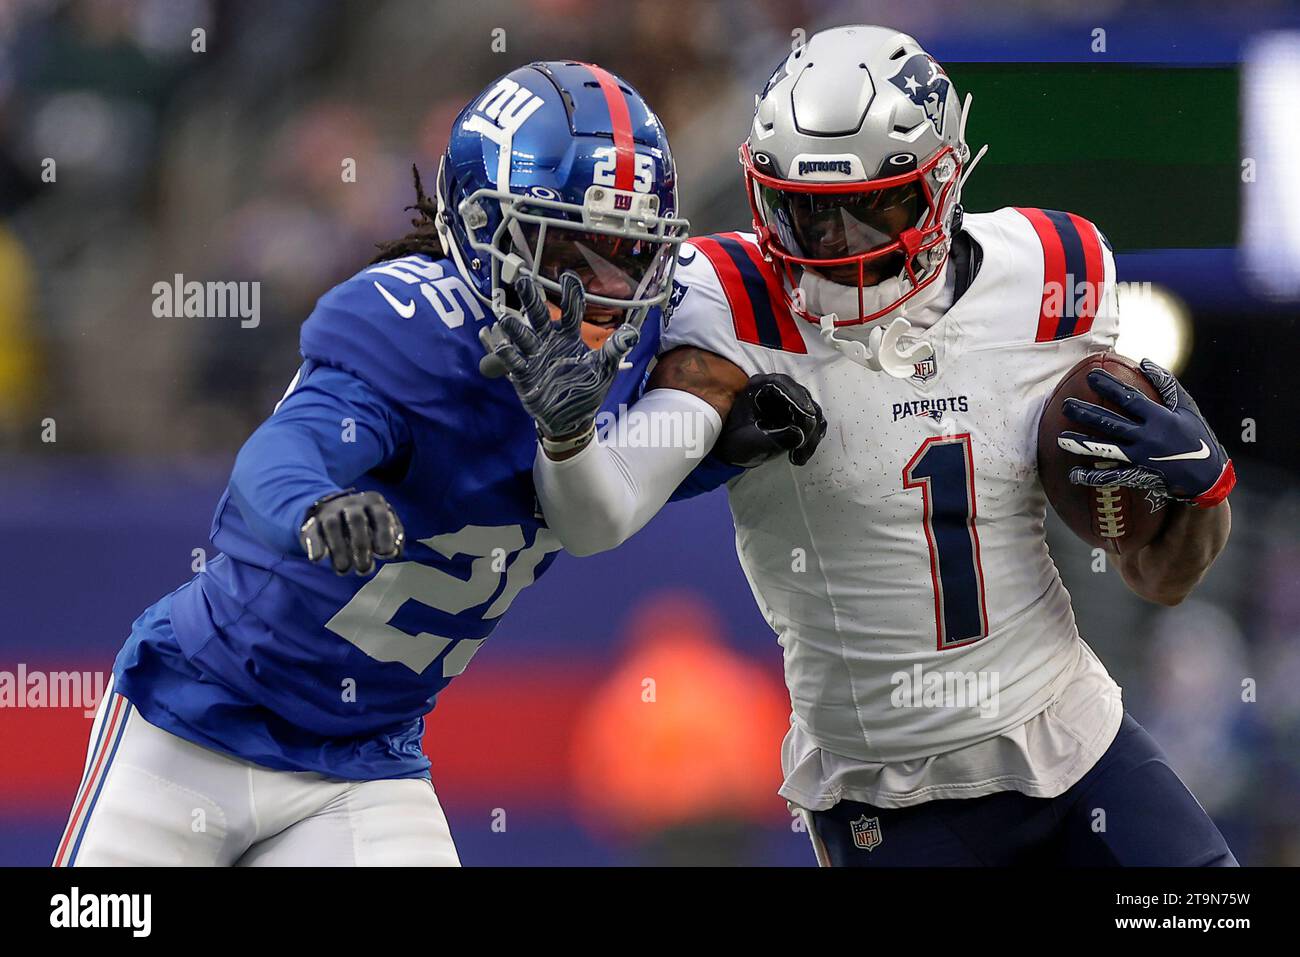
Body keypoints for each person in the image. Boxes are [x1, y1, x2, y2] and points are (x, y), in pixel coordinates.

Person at [490, 27, 1238, 866]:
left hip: (1072, 734)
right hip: (892, 796)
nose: (837, 243)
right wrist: (571, 437)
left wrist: (1203, 488)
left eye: (872, 204)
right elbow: (600, 516)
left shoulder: (1049, 272)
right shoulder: (733, 308)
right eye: (805, 209)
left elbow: (1159, 577)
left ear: (944, 180)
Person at [55, 60, 819, 867]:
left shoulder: (641, 351)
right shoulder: (417, 330)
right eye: (565, 248)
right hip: (196, 721)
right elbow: (280, 453)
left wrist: (706, 449)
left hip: (364, 758)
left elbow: (576, 494)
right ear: (482, 228)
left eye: (626, 255)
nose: (598, 291)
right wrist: (314, 504)